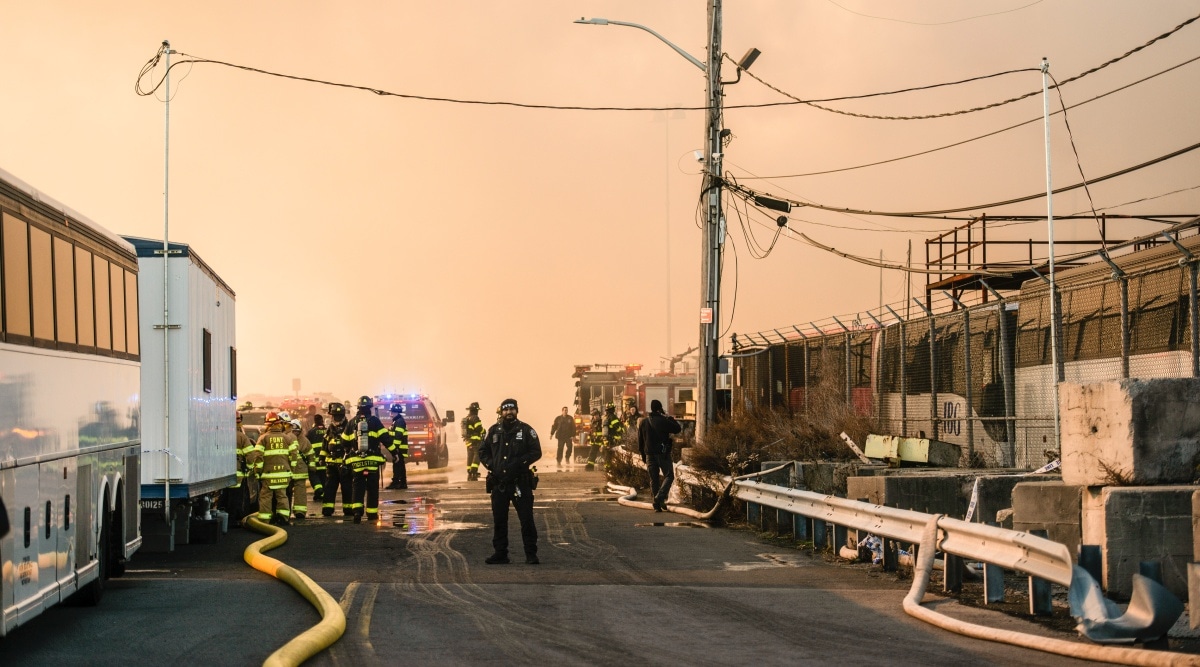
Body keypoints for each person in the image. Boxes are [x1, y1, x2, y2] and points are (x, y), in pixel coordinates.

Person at [479, 398, 542, 565]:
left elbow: (536, 451)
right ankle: (500, 553)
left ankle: (531, 553)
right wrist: (492, 464)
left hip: (520, 483)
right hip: (499, 484)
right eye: (506, 410)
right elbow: (482, 451)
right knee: (499, 519)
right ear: (501, 412)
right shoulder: (493, 431)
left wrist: (521, 462)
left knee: (526, 519)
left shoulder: (526, 430)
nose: (509, 412)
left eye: (512, 409)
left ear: (517, 411)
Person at [346, 395, 394, 524]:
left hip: (356, 462)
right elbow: (386, 439)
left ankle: (357, 512)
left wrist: (349, 451)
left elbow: (343, 441)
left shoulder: (351, 423)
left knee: (357, 487)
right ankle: (372, 514)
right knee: (372, 488)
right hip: (372, 462)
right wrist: (395, 453)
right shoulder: (375, 421)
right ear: (370, 408)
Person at [637, 399, 682, 512]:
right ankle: (659, 497)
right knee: (669, 475)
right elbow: (677, 429)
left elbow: (640, 442)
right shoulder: (663, 420)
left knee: (654, 479)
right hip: (662, 454)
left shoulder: (643, 422)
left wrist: (643, 455)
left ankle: (657, 504)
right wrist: (670, 418)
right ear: (659, 408)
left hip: (649, 455)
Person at [255, 411, 299, 525]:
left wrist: (257, 472)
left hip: (268, 475)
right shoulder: (287, 438)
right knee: (282, 496)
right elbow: (294, 455)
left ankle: (265, 521)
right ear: (279, 423)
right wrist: (291, 471)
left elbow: (258, 457)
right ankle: (283, 518)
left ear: (268, 424)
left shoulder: (263, 438)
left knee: (266, 497)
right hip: (284, 474)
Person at [321, 402, 352, 517]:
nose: (336, 418)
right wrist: (321, 458)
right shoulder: (330, 429)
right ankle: (327, 510)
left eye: (338, 416)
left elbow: (352, 444)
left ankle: (348, 510)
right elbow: (325, 445)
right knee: (329, 488)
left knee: (347, 488)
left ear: (343, 416)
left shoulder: (348, 427)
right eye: (334, 416)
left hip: (345, 464)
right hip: (331, 465)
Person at [289, 419, 313, 520]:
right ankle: (284, 512)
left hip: (299, 471)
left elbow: (310, 454)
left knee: (300, 492)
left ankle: (300, 511)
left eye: (297, 431)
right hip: (289, 471)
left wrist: (312, 466)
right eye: (294, 431)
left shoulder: (304, 441)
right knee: (286, 493)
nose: (295, 433)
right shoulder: (287, 438)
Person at [386, 403, 409, 490]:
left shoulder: (399, 422)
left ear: (394, 412)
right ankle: (402, 483)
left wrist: (394, 449)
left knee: (397, 466)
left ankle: (397, 482)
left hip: (399, 448)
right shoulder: (397, 421)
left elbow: (398, 437)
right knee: (400, 465)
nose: (390, 414)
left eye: (391, 412)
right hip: (399, 448)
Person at [461, 402, 485, 481]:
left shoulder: (467, 417)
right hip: (475, 440)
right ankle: (473, 471)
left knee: (470, 456)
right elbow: (478, 428)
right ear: (476, 410)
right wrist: (483, 431)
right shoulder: (475, 418)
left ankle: (469, 471)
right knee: (477, 455)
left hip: (468, 441)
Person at [306, 414, 327, 503]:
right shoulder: (328, 431)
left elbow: (306, 446)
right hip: (325, 460)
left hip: (314, 460)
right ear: (322, 420)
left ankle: (319, 491)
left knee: (314, 476)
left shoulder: (310, 432)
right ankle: (321, 493)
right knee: (324, 477)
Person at [602, 402, 626, 470]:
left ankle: (607, 468)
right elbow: (617, 428)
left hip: (608, 439)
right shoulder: (613, 417)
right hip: (614, 439)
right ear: (612, 409)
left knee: (608, 454)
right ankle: (612, 468)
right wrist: (622, 429)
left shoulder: (606, 417)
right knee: (614, 454)